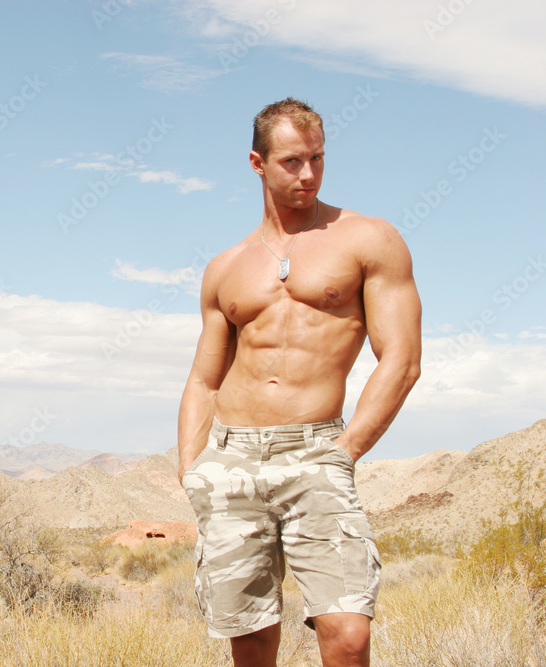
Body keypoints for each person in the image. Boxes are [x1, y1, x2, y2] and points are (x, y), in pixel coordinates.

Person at [177, 98, 421, 666]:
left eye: (317, 159)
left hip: (317, 451)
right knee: (254, 638)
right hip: (231, 459)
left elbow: (402, 360)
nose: (308, 173)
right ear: (258, 164)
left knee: (347, 632)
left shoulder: (368, 239)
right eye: (291, 161)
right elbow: (203, 379)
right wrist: (193, 467)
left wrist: (345, 451)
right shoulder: (226, 266)